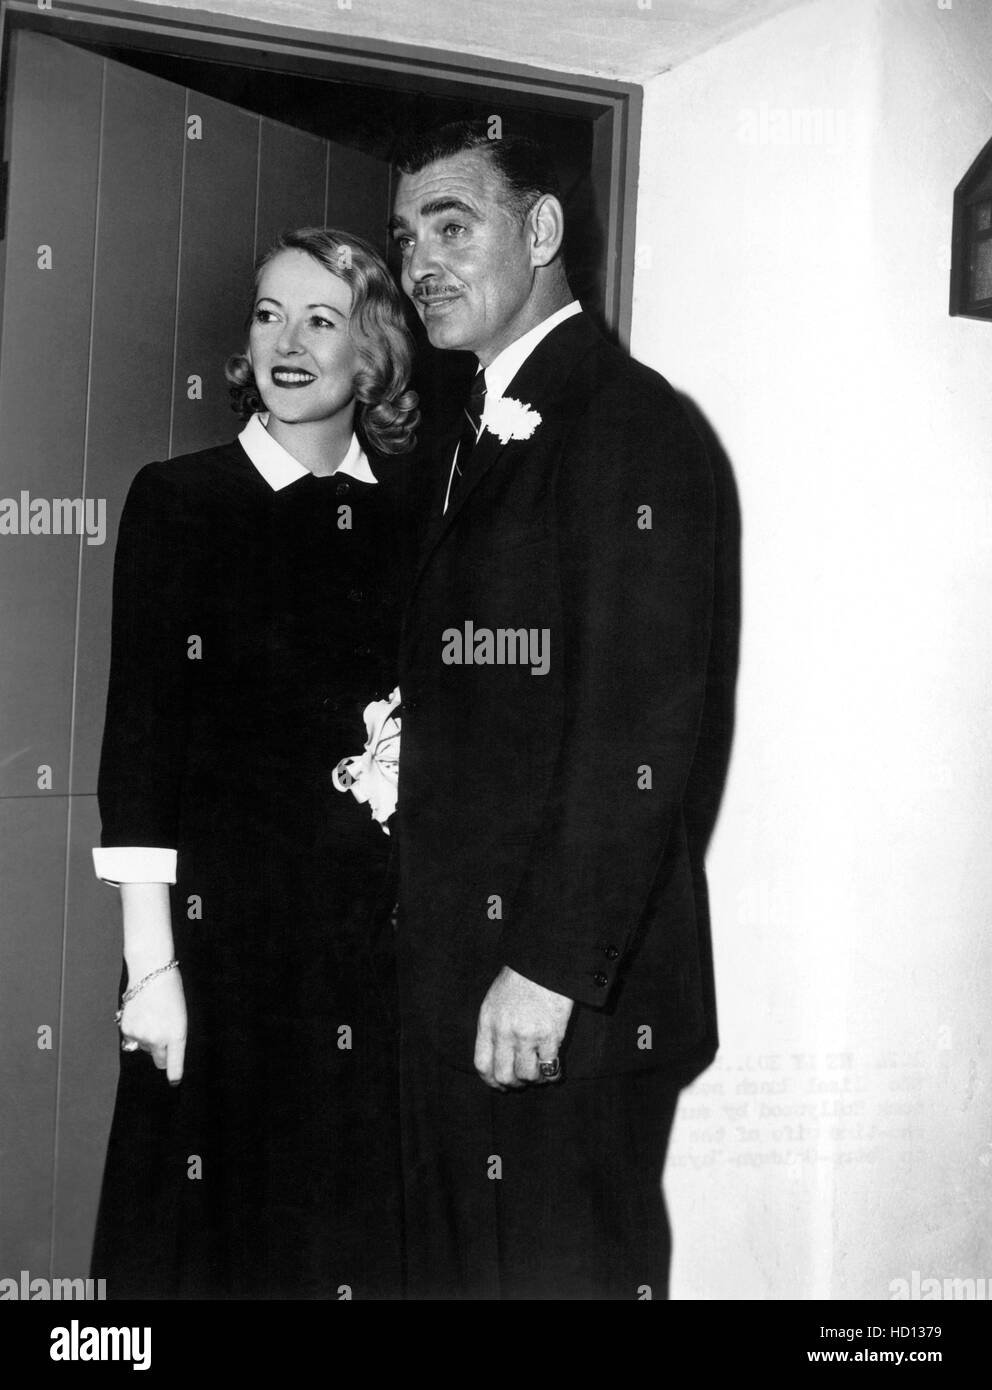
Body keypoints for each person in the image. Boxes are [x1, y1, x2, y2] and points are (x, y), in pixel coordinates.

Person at [390, 121, 722, 1300]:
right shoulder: (461, 427)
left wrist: (544, 968)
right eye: (406, 236)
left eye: (450, 224)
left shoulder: (628, 424)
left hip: (557, 1006)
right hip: (456, 980)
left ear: (540, 231)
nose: (419, 260)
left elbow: (638, 730)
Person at [89, 228, 418, 1300]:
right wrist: (151, 972)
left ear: (369, 354)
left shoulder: (413, 522)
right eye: (269, 315)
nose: (287, 341)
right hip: (212, 958)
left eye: (322, 320)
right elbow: (139, 746)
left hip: (364, 961)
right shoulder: (182, 501)